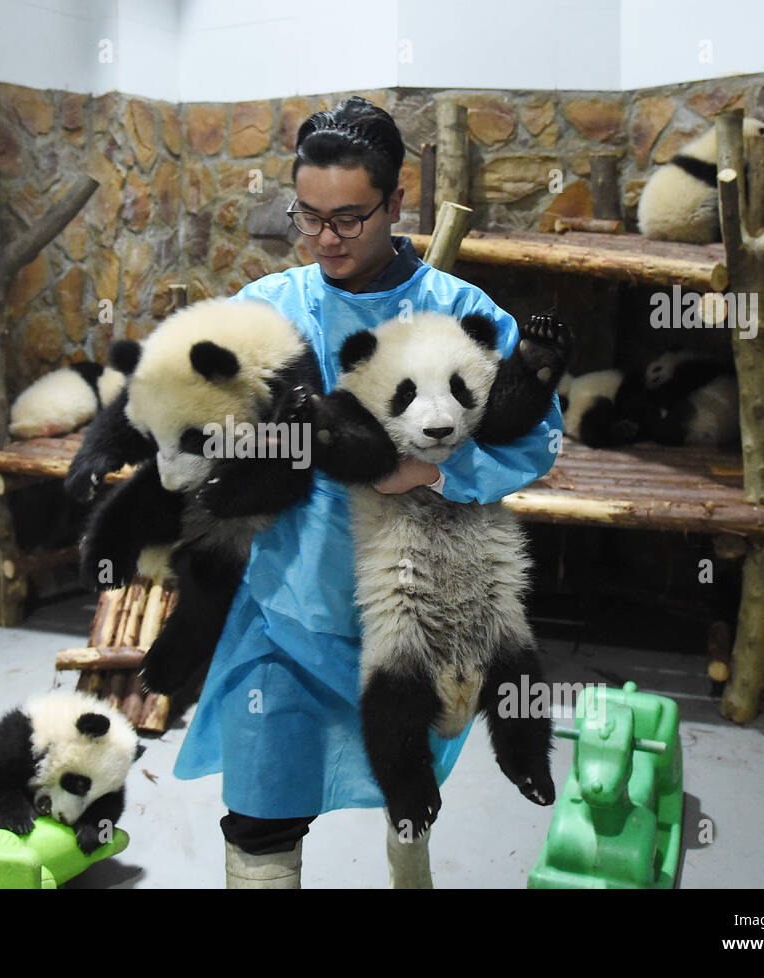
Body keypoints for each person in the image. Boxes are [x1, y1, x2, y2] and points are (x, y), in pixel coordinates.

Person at [170, 95, 562, 887]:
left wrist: (431, 471)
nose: (323, 239)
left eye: (347, 218)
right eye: (306, 216)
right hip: (287, 608)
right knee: (260, 813)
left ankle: (406, 853)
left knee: (405, 777)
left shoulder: (461, 312)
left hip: (421, 609)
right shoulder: (268, 308)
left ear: (395, 200)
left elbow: (538, 439)